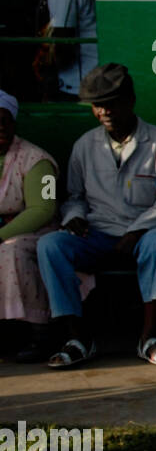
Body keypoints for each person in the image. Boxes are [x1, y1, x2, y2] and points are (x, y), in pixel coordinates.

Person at [36, 64, 156, 368]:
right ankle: (77, 339)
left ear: (130, 100)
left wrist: (137, 231)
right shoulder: (84, 146)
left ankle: (150, 338)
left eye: (111, 102)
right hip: (98, 232)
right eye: (97, 105)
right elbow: (74, 197)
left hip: (143, 232)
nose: (104, 111)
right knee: (50, 245)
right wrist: (73, 216)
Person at [0, 89, 60, 356]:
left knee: (11, 251)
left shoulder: (38, 160)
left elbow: (43, 208)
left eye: (5, 120)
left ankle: (37, 332)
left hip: (34, 233)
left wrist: (1, 232)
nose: (0, 127)